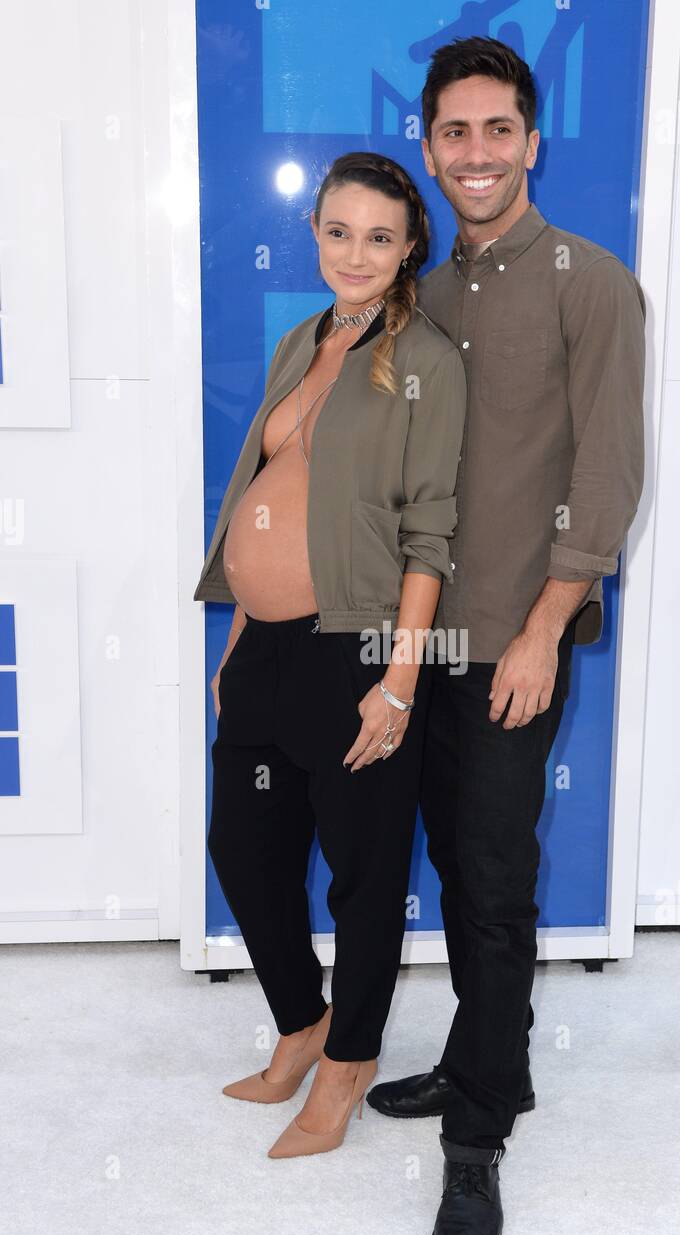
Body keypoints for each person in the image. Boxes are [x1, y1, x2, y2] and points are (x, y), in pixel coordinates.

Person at [366, 37, 647, 1235]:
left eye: (497, 130)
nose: (474, 153)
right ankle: (497, 1064)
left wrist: (543, 627)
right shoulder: (417, 289)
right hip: (415, 635)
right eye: (453, 132)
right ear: (430, 147)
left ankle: (477, 1134)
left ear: (531, 141)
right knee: (437, 856)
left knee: (490, 888)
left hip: (512, 646)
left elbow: (607, 473)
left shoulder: (594, 282)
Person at [193, 152, 466, 1160]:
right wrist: (233, 641)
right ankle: (301, 1019)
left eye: (380, 237)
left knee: (362, 872)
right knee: (243, 846)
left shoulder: (427, 361)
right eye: (339, 231)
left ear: (409, 250)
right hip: (264, 645)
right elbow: (253, 495)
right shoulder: (300, 338)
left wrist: (399, 682)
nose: (356, 253)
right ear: (315, 231)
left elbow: (431, 532)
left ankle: (348, 1058)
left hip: (358, 653)